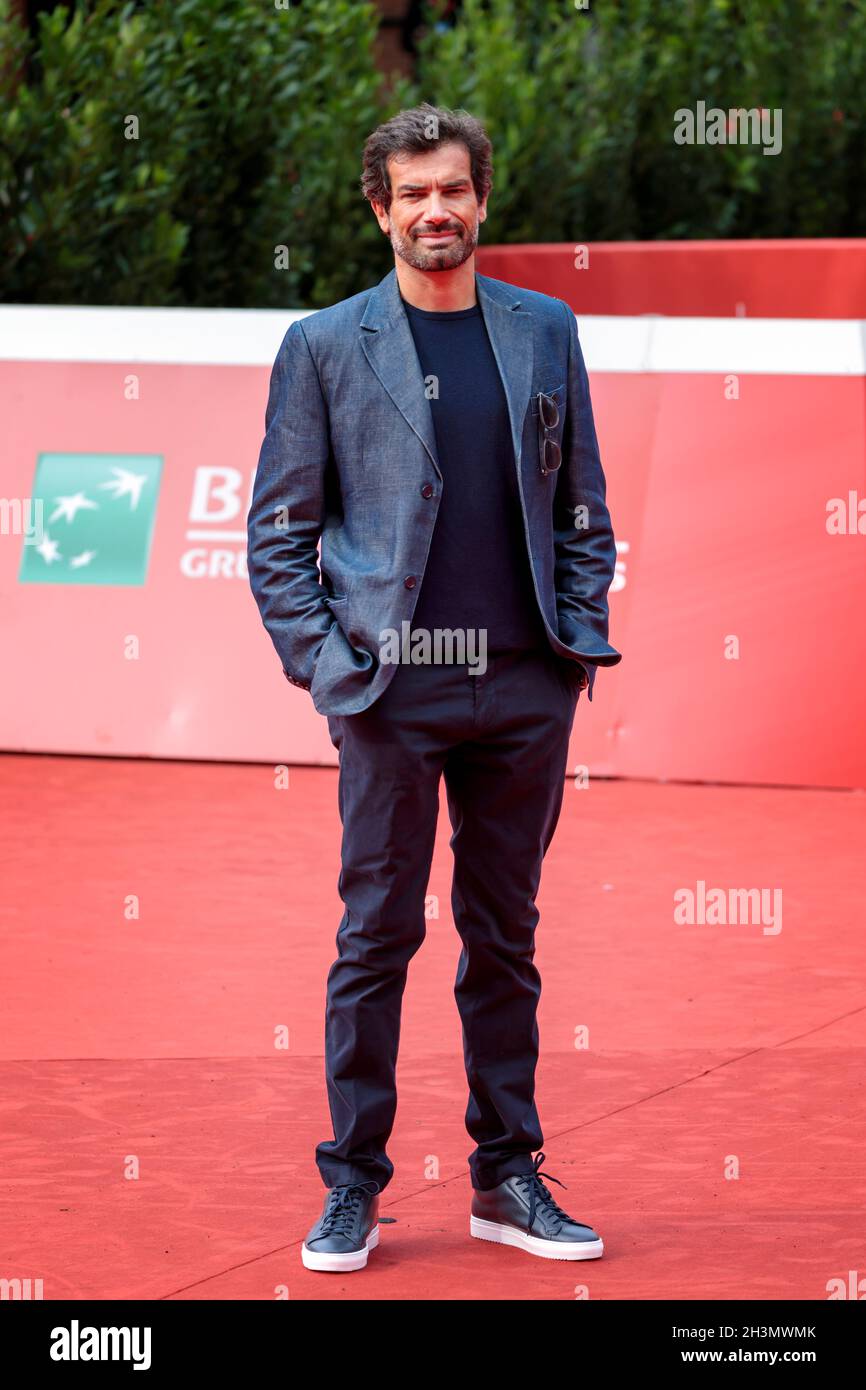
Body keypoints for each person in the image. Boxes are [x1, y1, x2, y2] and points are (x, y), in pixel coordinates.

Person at [247, 102, 622, 1272]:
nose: (434, 211)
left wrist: (575, 642)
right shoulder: (321, 345)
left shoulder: (543, 330)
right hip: (390, 691)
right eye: (411, 194)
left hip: (523, 688)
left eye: (451, 189)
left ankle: (506, 1175)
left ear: (480, 198)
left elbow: (582, 508)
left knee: (503, 937)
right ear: (380, 209)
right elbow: (277, 534)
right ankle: (352, 1182)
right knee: (375, 938)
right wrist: (331, 669)